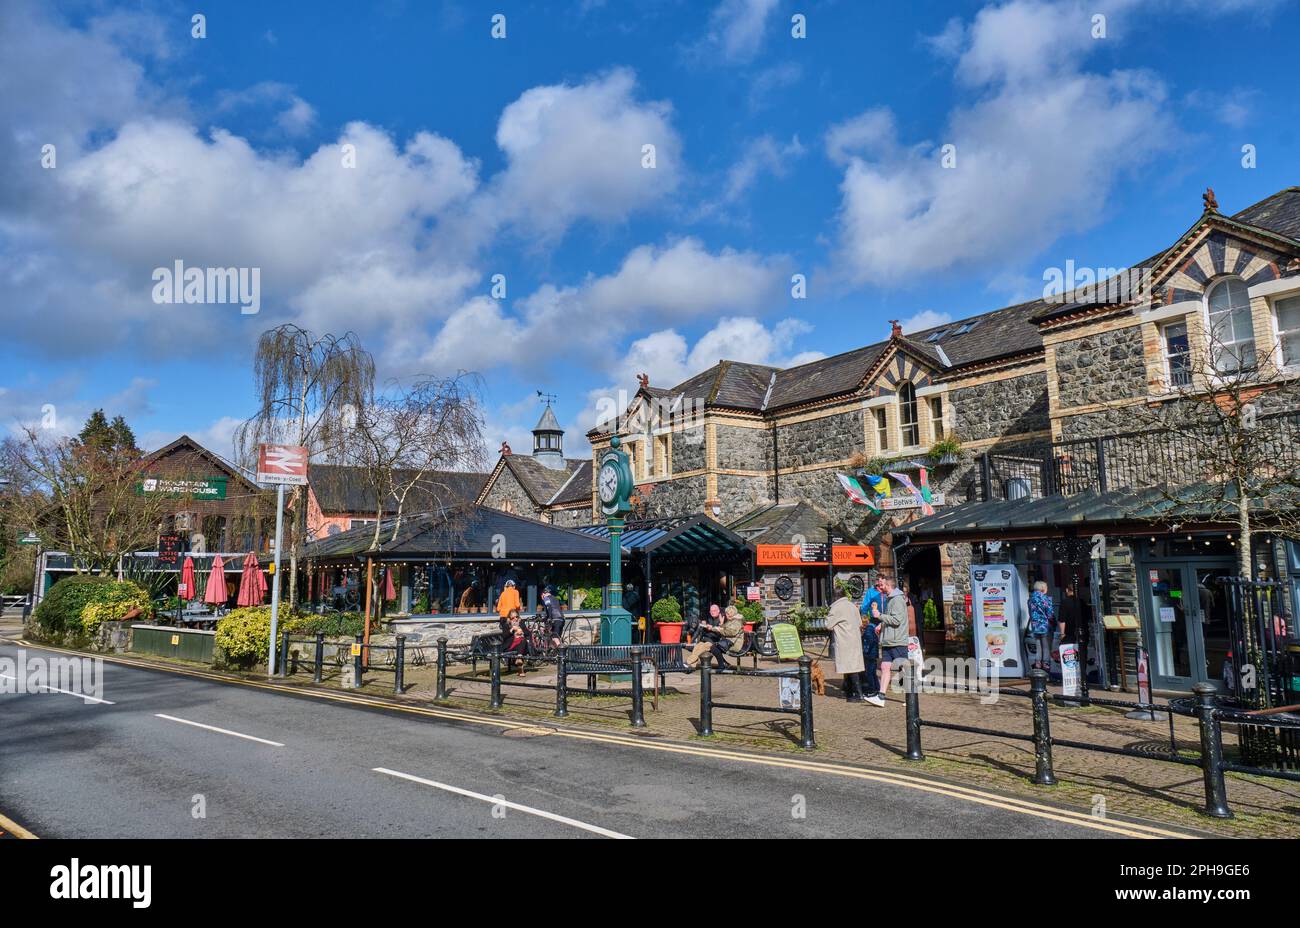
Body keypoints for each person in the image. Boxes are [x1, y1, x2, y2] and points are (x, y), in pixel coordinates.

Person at [826, 585, 867, 702]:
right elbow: (860, 623)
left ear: (835, 596)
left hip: (845, 641)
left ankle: (859, 695)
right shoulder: (852, 606)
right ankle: (849, 693)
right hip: (855, 640)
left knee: (850, 667)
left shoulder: (836, 608)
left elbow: (828, 625)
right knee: (851, 666)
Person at [873, 574, 909, 705]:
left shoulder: (897, 600)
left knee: (903, 668)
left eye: (882, 584)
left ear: (888, 586)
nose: (880, 587)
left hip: (897, 640)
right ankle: (881, 697)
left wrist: (879, 616)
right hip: (888, 640)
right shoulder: (890, 599)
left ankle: (910, 698)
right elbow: (890, 618)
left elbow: (897, 620)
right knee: (884, 666)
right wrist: (881, 625)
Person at [1028, 580, 1055, 671]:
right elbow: (1050, 615)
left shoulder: (1030, 599)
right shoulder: (1046, 599)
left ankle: (1038, 664)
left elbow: (1030, 613)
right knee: (1046, 647)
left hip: (1035, 626)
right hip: (1045, 626)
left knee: (1038, 645)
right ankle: (1046, 665)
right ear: (1043, 588)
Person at [861, 608, 881, 701]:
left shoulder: (868, 630)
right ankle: (877, 688)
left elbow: (869, 642)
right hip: (874, 653)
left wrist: (865, 651)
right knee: (873, 672)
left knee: (869, 673)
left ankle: (872, 690)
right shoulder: (872, 627)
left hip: (870, 654)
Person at [500, 608, 527, 674]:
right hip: (509, 646)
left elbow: (528, 633)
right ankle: (520, 667)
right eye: (513, 618)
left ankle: (519, 659)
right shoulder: (506, 625)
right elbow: (504, 636)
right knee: (523, 643)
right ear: (509, 618)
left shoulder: (521, 623)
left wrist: (521, 630)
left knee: (523, 641)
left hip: (519, 645)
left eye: (516, 617)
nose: (515, 619)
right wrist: (511, 629)